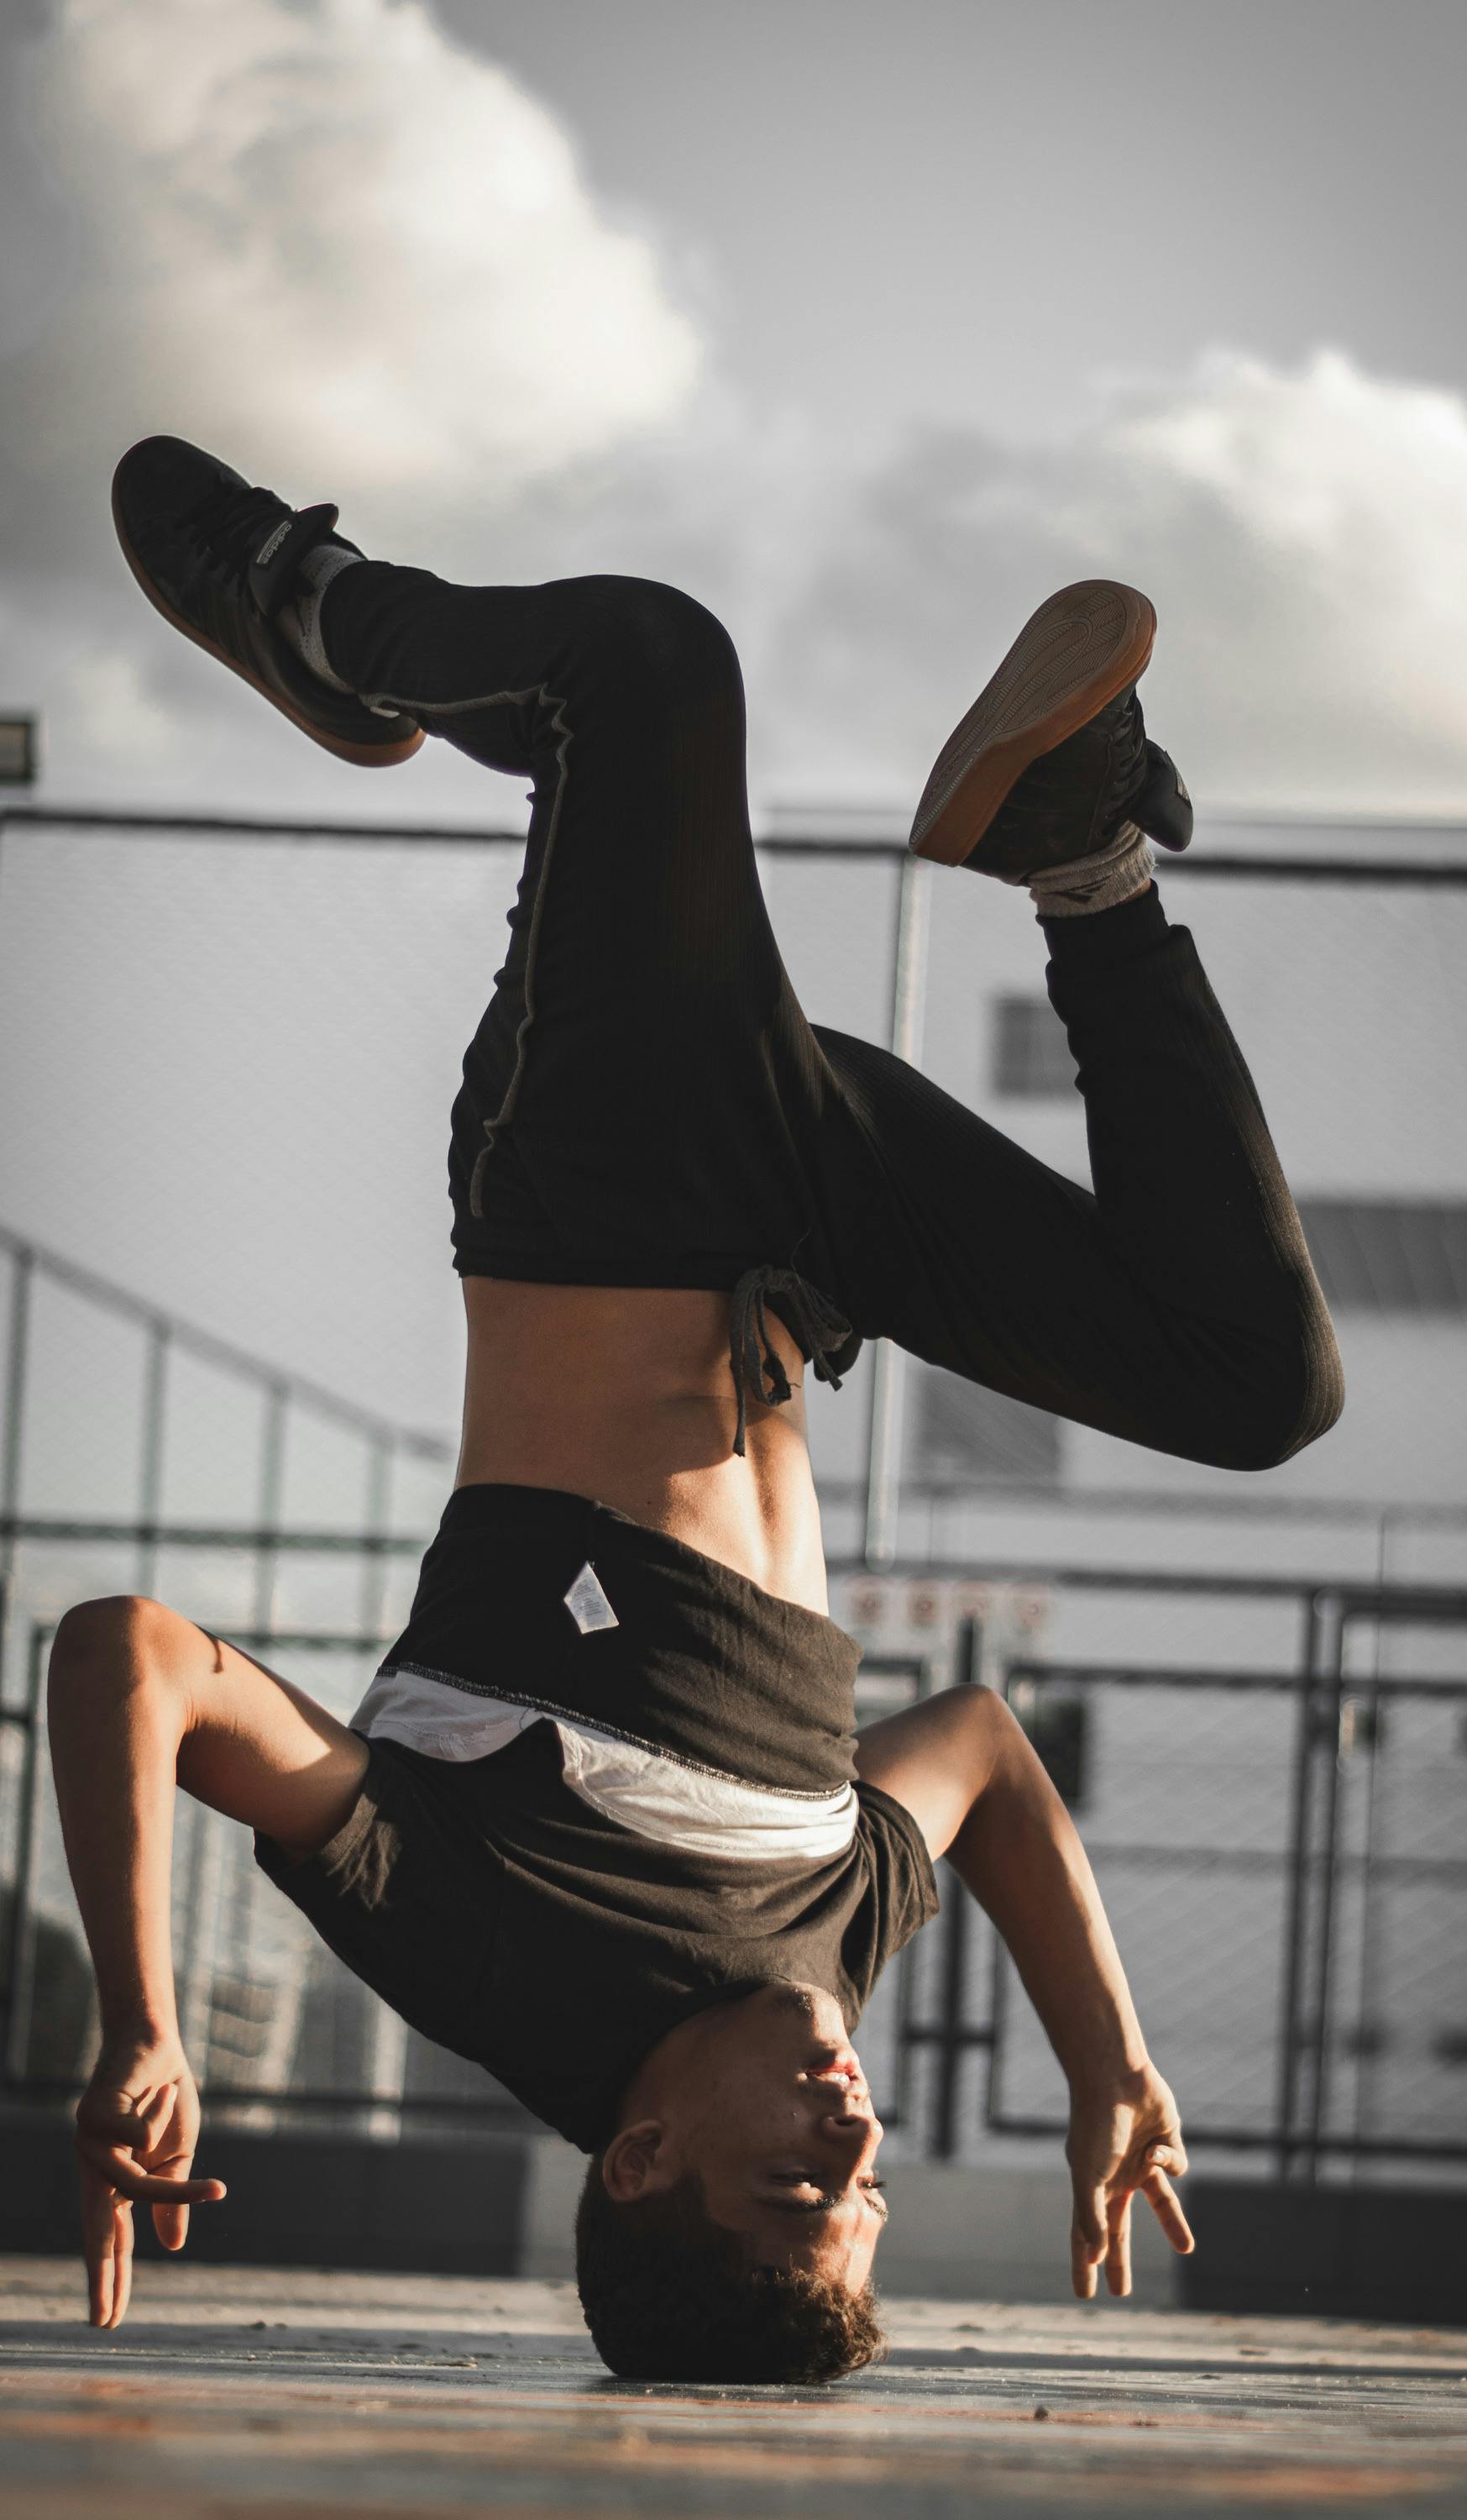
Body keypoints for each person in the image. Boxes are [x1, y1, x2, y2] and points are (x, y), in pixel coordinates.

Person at [49, 437, 1342, 2381]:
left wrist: (139, 2020)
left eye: (793, 2189)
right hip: (817, 1239)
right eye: (869, 2194)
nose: (857, 2136)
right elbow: (980, 1751)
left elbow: (130, 1659)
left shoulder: (474, 1946)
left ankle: (304, 609)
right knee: (1258, 1387)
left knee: (643, 672)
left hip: (597, 1182)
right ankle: (1081, 846)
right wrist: (1113, 2060)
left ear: (642, 2158)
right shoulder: (813, 1968)